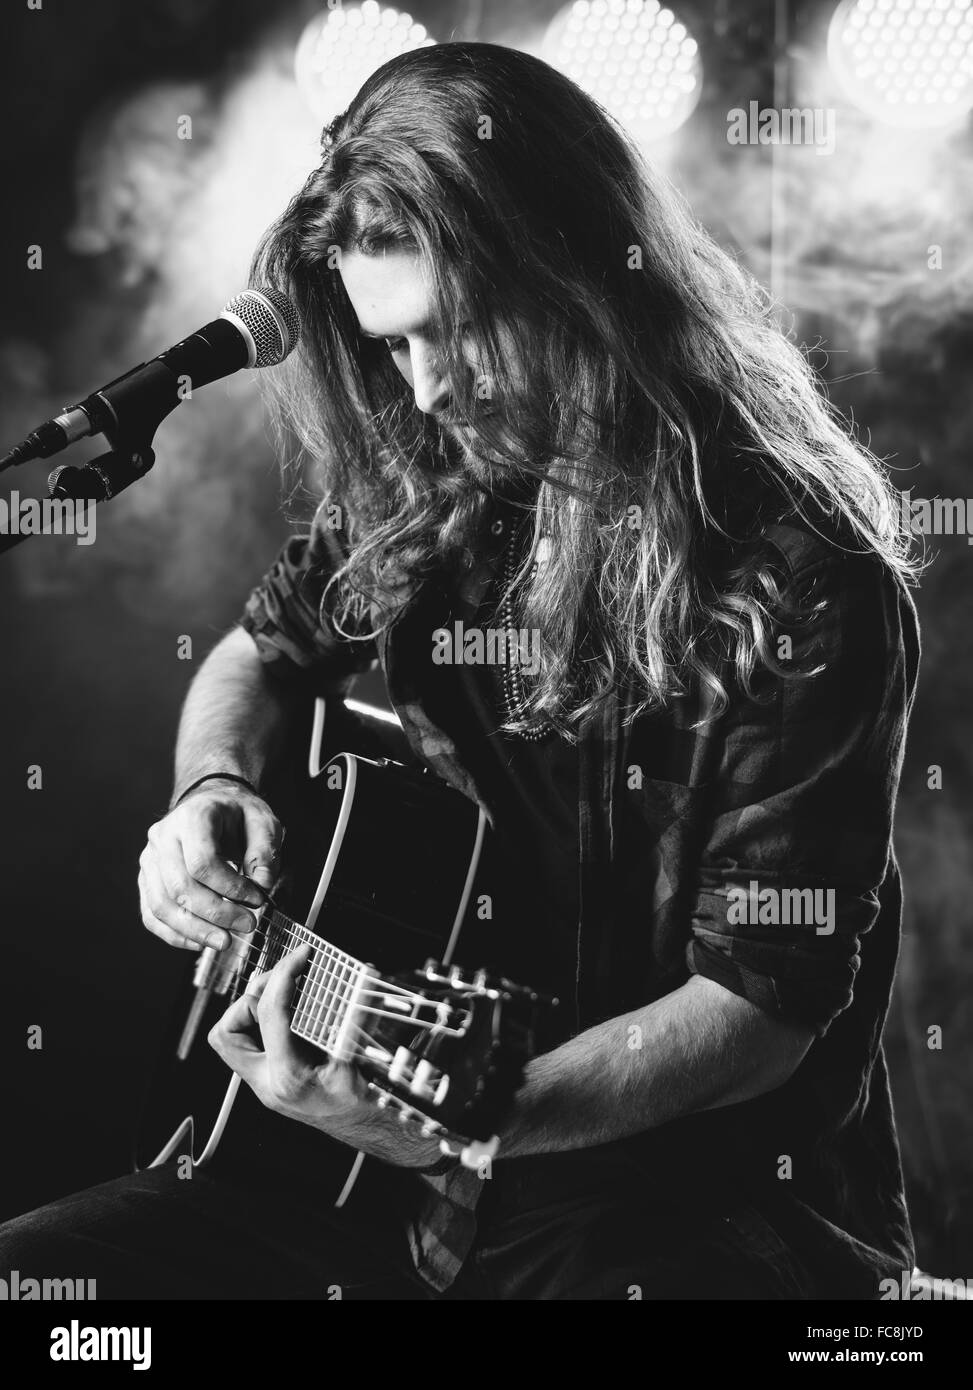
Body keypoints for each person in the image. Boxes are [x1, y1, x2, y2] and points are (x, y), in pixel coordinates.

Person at [0, 42, 921, 1301]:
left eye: (461, 332)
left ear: (579, 277)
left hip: (659, 1200)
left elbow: (757, 1010)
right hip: (345, 1184)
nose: (428, 389)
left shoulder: (804, 570)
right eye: (391, 347)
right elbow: (256, 656)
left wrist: (471, 1124)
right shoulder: (435, 484)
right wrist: (206, 790)